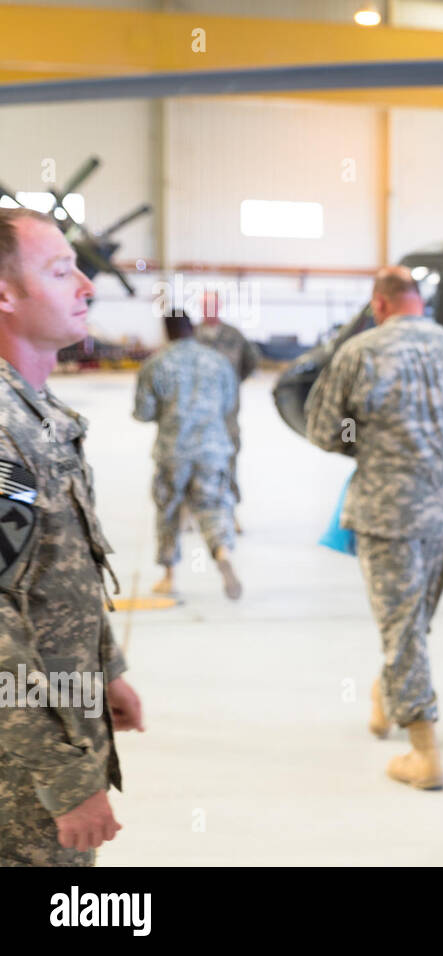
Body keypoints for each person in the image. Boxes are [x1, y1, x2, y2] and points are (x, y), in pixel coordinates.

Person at [306, 266, 443, 790]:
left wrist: (370, 446)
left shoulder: (360, 352)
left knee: (402, 628)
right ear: (420, 302)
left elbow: (324, 429)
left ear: (379, 305)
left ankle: (424, 753)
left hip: (387, 513)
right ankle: (387, 694)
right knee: (412, 623)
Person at [0, 207, 145, 865]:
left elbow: (59, 566)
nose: (87, 286)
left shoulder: (43, 415)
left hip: (56, 723)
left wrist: (102, 666)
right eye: (62, 272)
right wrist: (63, 775)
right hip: (20, 775)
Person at [133, 309, 241, 600]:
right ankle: (222, 551)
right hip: (213, 447)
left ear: (166, 331)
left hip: (173, 449)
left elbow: (143, 412)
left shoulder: (156, 364)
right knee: (213, 504)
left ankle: (169, 577)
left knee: (168, 510)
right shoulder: (217, 361)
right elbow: (229, 403)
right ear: (192, 328)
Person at [194, 291, 261, 520]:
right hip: (196, 413)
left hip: (226, 414)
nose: (209, 311)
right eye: (205, 307)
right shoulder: (192, 335)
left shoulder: (234, 335)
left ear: (219, 307)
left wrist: (232, 384)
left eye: (213, 306)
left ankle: (230, 511)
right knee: (195, 460)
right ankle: (195, 511)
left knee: (228, 459)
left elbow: (251, 363)